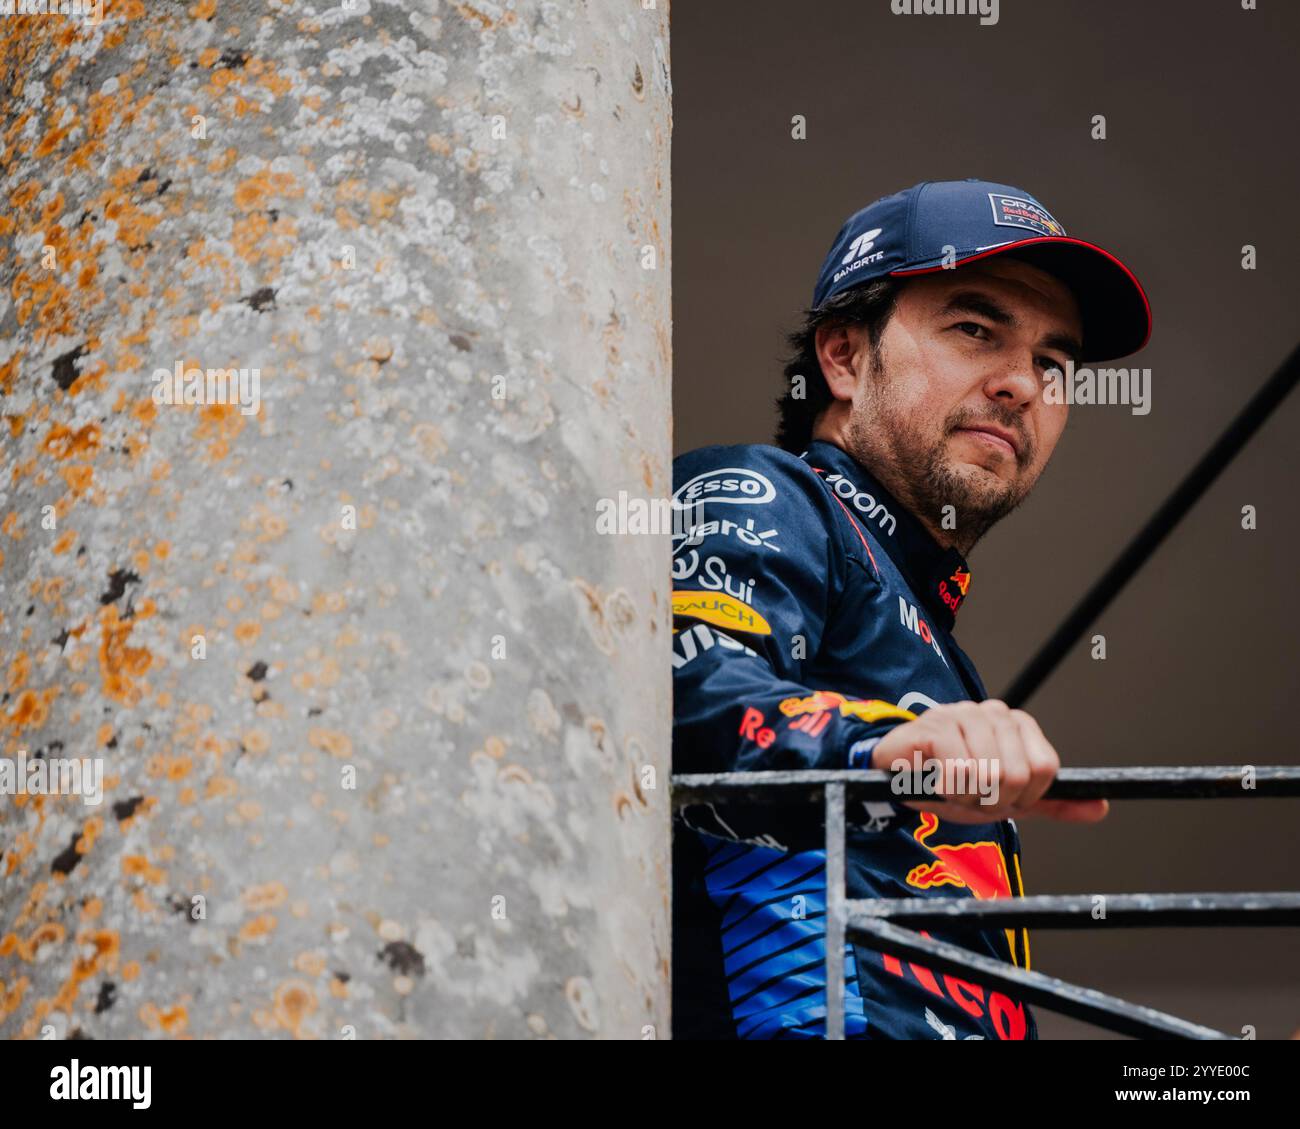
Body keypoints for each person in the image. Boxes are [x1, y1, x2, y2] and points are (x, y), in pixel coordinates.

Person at [671, 179, 1151, 1039]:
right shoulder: (767, 493)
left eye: (1053, 362)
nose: (1022, 385)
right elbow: (680, 694)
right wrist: (880, 748)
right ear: (845, 357)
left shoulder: (935, 641)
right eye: (975, 330)